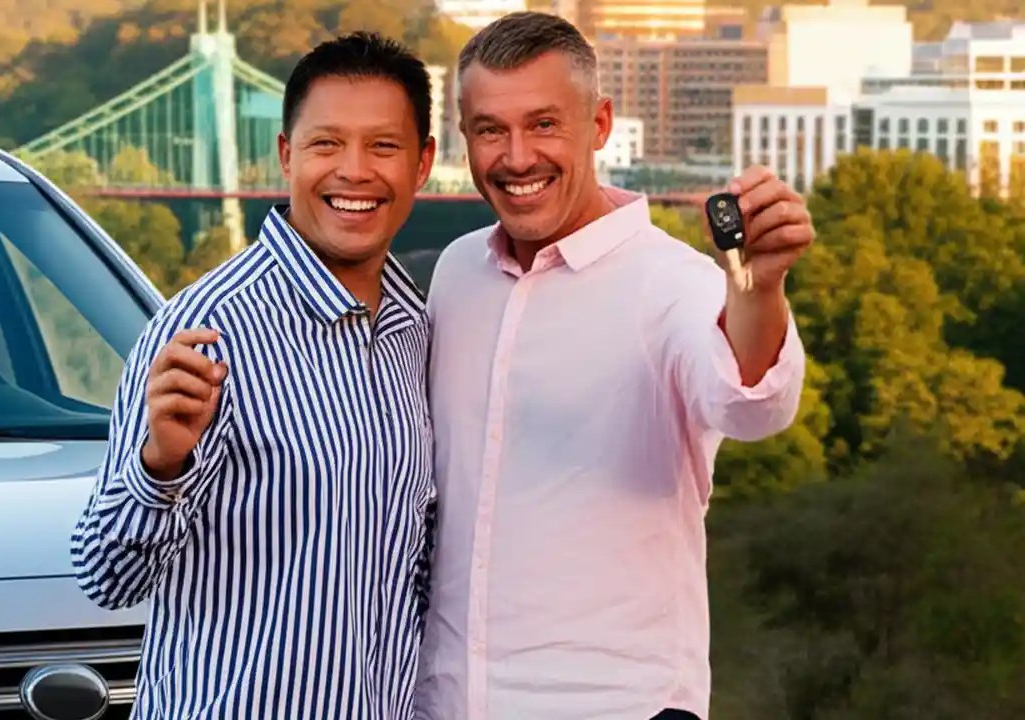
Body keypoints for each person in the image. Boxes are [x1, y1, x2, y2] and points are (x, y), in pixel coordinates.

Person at [415, 12, 813, 720]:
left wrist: (759, 285)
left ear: (598, 124)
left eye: (543, 124)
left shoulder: (678, 285)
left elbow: (752, 403)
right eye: (489, 130)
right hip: (445, 703)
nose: (515, 157)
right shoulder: (455, 274)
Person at [71, 31, 439, 719]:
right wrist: (161, 464)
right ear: (285, 155)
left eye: (383, 147)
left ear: (422, 166)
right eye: (327, 144)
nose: (354, 172)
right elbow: (104, 575)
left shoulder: (414, 330)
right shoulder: (210, 329)